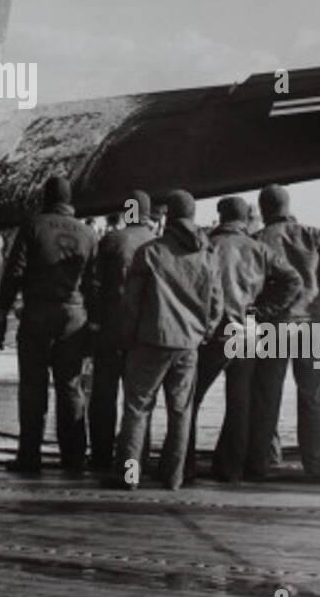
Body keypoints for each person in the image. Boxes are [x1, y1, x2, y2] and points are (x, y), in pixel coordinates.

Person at [114, 190, 223, 491]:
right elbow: (217, 304)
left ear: (168, 217)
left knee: (137, 409)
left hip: (151, 340)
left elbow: (131, 304)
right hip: (188, 344)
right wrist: (205, 332)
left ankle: (129, 476)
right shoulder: (207, 254)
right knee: (180, 412)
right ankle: (173, 479)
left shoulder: (150, 252)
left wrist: (129, 338)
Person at [247, 185, 320, 478]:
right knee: (312, 395)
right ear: (288, 205)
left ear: (263, 209)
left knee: (267, 395)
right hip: (311, 325)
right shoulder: (314, 235)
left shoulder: (258, 239)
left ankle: (263, 460)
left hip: (274, 327)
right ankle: (315, 464)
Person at [0, 174, 97, 476]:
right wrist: (95, 326)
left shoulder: (32, 227)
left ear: (45, 198)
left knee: (32, 389)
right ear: (69, 201)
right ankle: (74, 458)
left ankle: (29, 457)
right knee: (70, 388)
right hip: (74, 318)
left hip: (37, 316)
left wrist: (1, 315)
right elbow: (94, 284)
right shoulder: (89, 234)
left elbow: (14, 273)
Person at [204, 196, 303, 482]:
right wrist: (264, 311)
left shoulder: (208, 246)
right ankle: (232, 469)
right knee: (240, 402)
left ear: (220, 215)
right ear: (247, 216)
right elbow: (293, 280)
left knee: (188, 402)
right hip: (246, 331)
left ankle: (179, 467)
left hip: (212, 332)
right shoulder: (258, 248)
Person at [87, 190, 158, 471]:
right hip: (144, 335)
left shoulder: (111, 241)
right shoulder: (157, 244)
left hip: (110, 331)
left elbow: (93, 285)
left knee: (104, 395)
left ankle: (101, 455)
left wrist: (95, 321)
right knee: (140, 401)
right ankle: (137, 455)